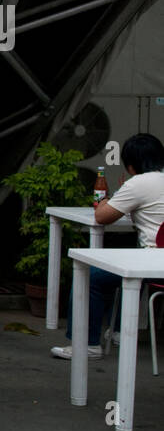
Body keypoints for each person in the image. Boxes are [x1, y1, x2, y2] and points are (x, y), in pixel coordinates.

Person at [51, 133, 164, 359]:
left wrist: (106, 200)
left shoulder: (138, 183)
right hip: (155, 267)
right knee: (130, 268)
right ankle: (121, 332)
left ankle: (88, 345)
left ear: (131, 166)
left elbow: (102, 217)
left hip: (155, 265)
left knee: (90, 277)